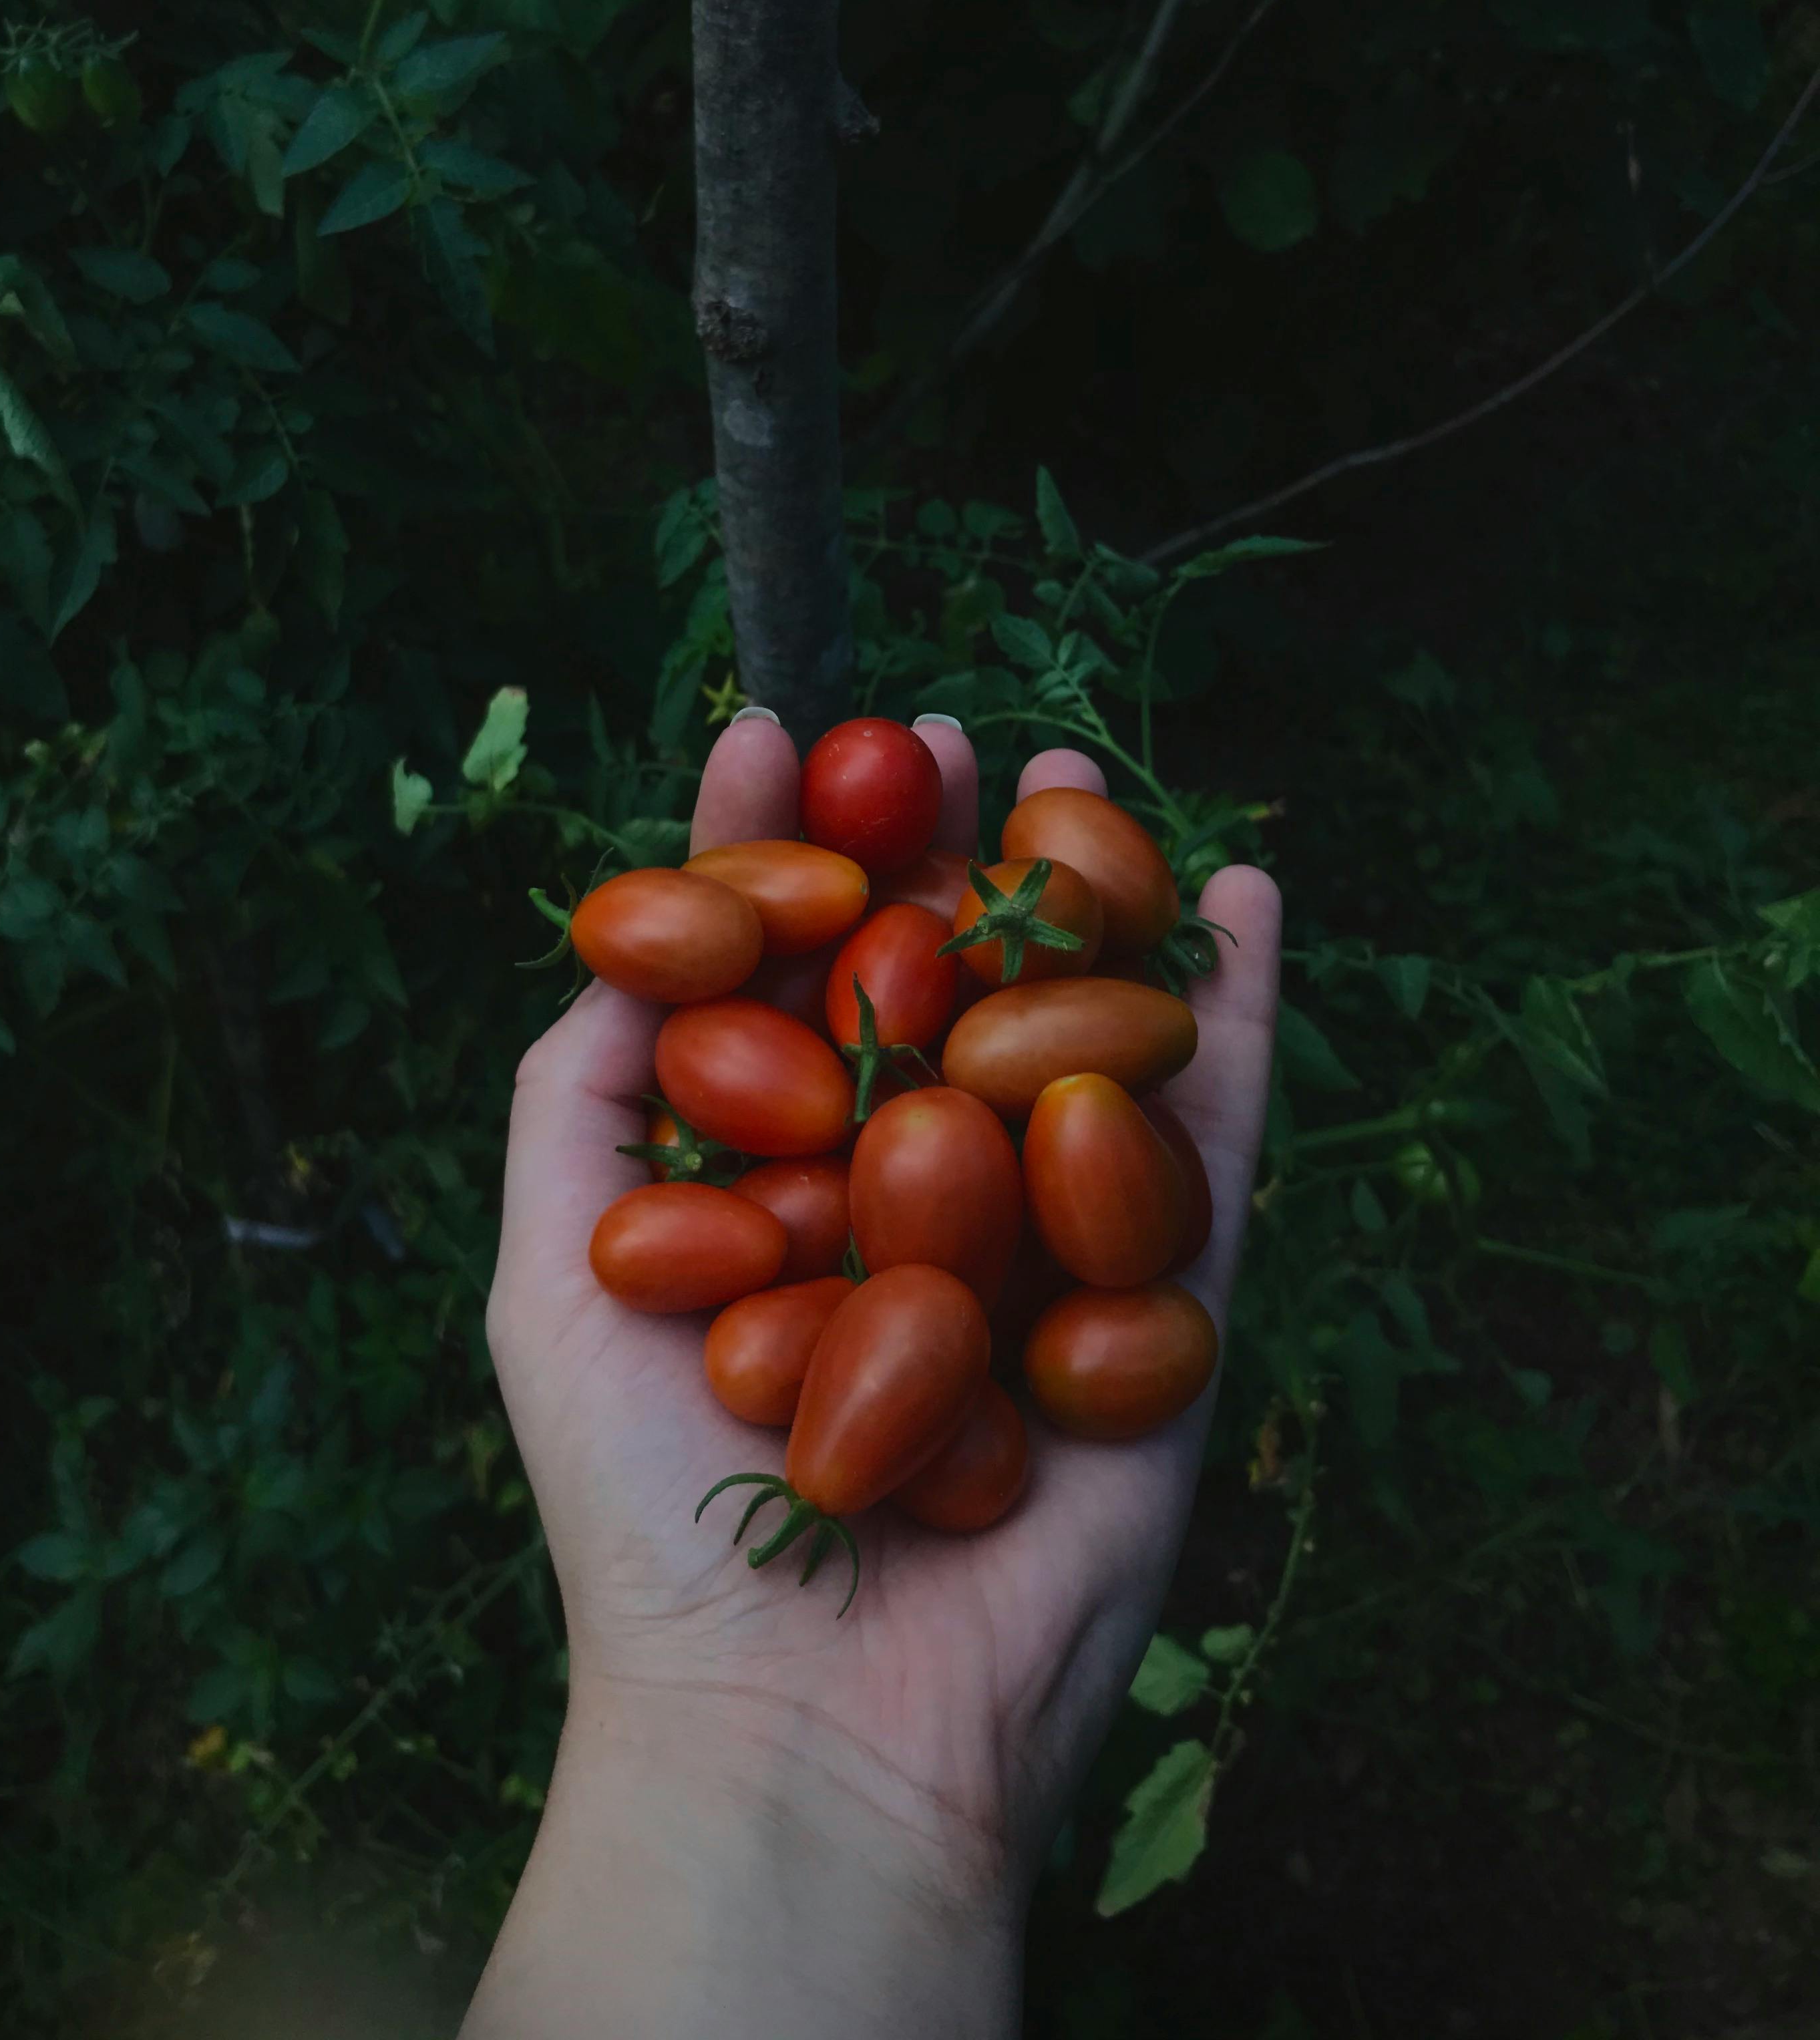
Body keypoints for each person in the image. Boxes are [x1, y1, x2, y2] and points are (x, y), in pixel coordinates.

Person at [466, 708, 1282, 2039]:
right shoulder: (897, 1159)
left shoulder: (952, 1102)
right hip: (907, 1238)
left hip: (928, 1227)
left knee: (1012, 1143)